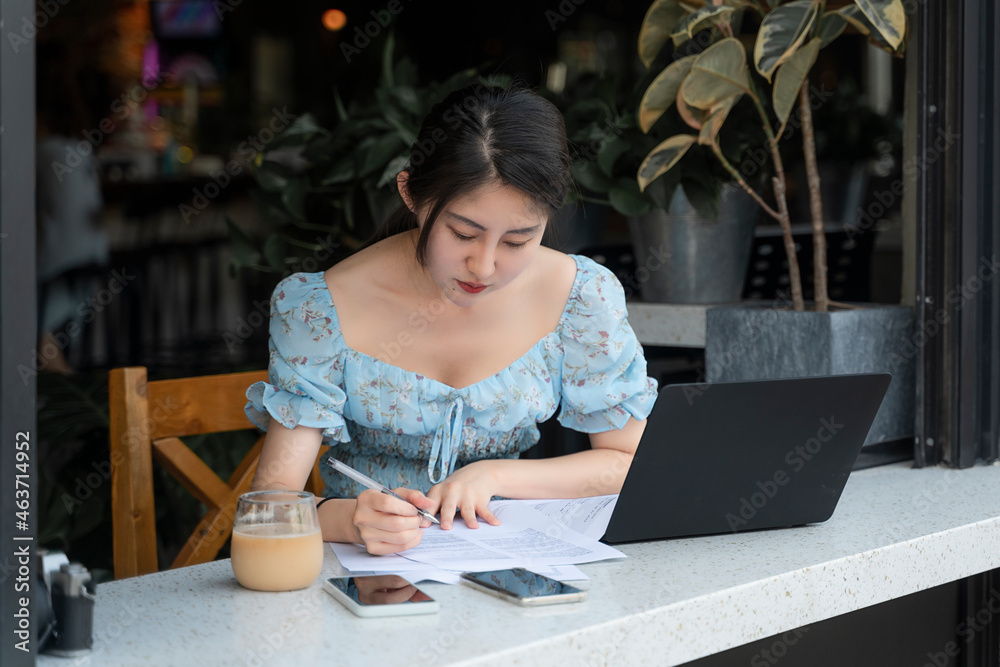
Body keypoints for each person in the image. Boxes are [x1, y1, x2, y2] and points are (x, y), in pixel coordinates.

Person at [246, 83, 658, 555]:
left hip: (510, 561)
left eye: (517, 241)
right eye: (464, 233)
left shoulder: (579, 296)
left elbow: (629, 461)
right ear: (411, 195)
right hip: (366, 571)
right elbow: (271, 508)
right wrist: (348, 519)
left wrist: (495, 474)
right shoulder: (320, 308)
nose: (483, 266)